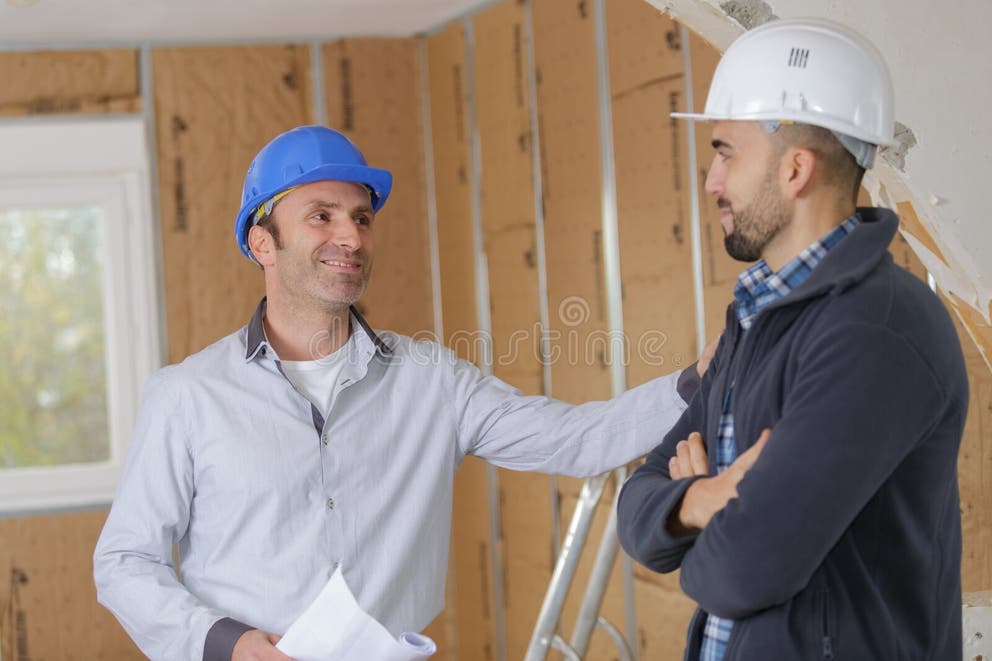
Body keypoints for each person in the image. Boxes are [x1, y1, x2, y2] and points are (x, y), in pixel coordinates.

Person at [94, 125, 712, 660]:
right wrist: (226, 643)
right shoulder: (187, 396)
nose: (353, 237)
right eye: (321, 216)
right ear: (263, 243)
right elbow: (124, 563)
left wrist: (701, 379)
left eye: (361, 217)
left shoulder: (432, 382)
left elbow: (577, 441)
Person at [617, 17, 968, 661]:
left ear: (795, 169)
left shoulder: (878, 330)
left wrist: (694, 527)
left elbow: (741, 571)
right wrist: (706, 501)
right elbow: (635, 512)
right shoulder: (757, 318)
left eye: (726, 152)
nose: (711, 182)